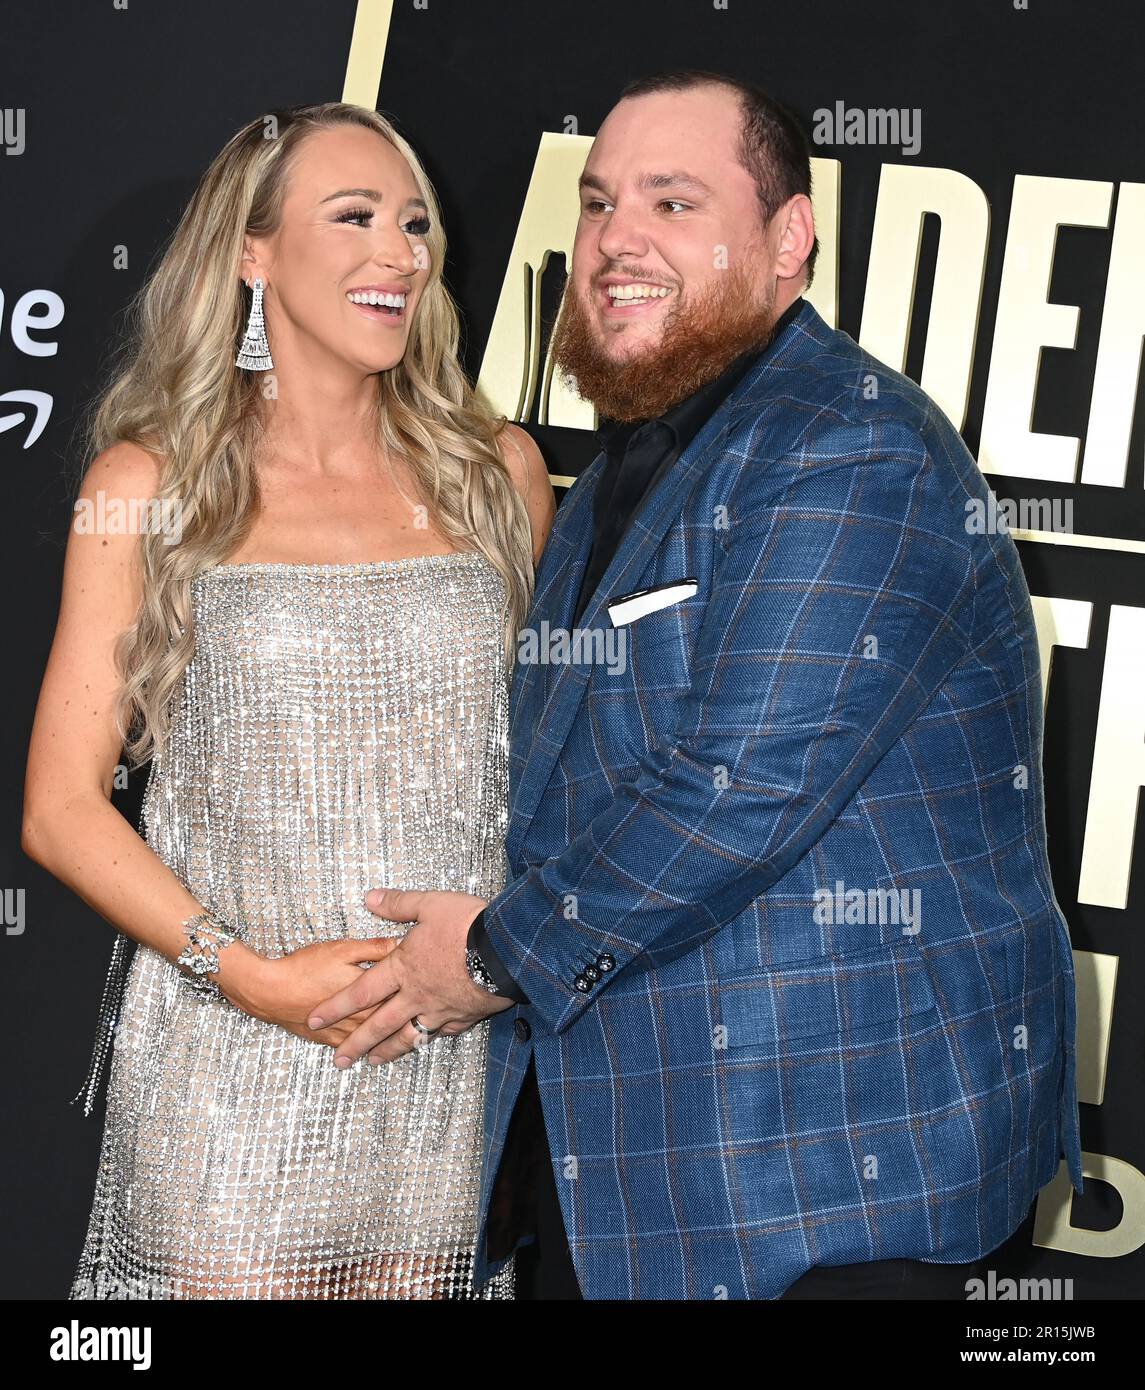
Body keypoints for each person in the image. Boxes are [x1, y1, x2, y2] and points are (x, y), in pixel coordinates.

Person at [306, 69, 1085, 1300]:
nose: (616, 241)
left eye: (672, 203)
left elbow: (737, 786)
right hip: (630, 1157)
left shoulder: (850, 443)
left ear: (788, 240)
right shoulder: (636, 450)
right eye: (601, 202)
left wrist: (491, 957)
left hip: (829, 1185)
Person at [22, 100, 554, 1300]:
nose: (399, 253)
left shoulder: (495, 473)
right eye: (354, 216)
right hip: (230, 1065)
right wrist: (250, 975)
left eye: (414, 224)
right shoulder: (146, 484)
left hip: (440, 1056)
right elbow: (59, 807)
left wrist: (492, 962)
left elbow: (545, 776)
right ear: (252, 252)